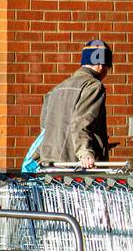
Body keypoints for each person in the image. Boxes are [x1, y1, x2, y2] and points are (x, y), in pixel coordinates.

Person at [34, 39, 113, 169]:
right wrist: (86, 153)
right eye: (107, 68)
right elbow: (82, 122)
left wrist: (100, 144)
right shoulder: (93, 86)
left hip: (49, 164)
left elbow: (46, 129)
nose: (106, 73)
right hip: (75, 168)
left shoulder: (55, 90)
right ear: (100, 65)